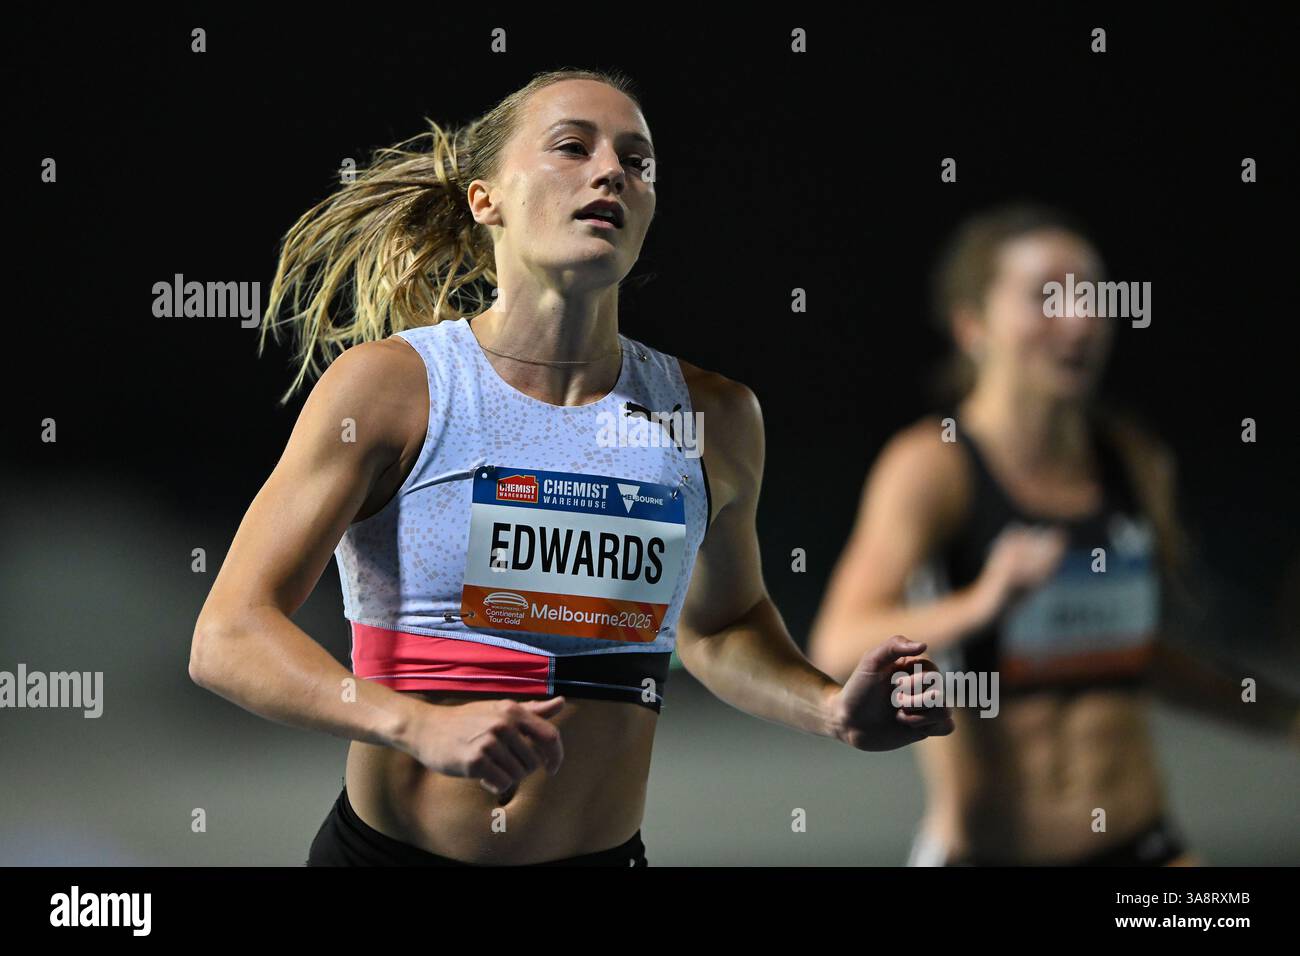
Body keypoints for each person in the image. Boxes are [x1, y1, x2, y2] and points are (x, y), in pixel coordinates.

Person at [188, 68, 953, 867]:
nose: (611, 172)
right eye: (571, 147)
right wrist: (416, 723)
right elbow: (229, 635)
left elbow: (722, 628)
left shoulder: (713, 417)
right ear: (487, 199)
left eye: (637, 160)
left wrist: (831, 707)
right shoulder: (395, 389)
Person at [808, 203, 1300, 866]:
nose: (1079, 321)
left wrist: (1284, 717)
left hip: (1140, 844)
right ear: (972, 323)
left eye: (1092, 297)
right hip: (990, 852)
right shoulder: (935, 465)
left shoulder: (1134, 461)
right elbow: (838, 642)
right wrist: (983, 601)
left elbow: (1140, 655)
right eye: (1047, 298)